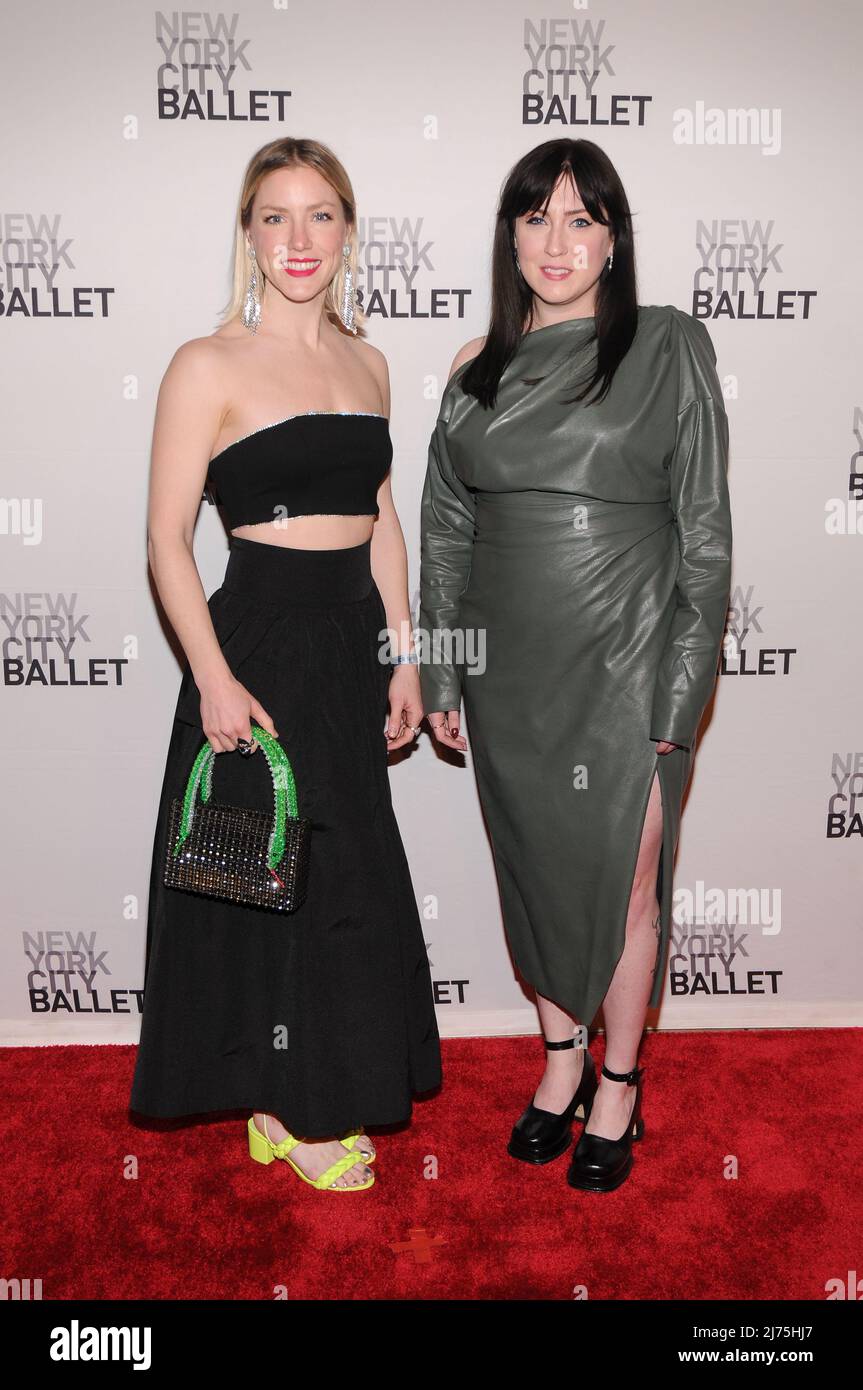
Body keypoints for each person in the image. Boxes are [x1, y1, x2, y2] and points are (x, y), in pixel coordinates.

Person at [418, 138, 732, 1193]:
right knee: (536, 877)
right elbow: (446, 533)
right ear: (508, 236)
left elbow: (704, 537)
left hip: (629, 665)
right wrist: (442, 671)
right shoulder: (474, 368)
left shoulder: (665, 346)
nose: (556, 242)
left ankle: (620, 1082)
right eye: (534, 217)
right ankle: (561, 1061)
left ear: (612, 240)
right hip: (508, 677)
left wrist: (679, 698)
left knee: (625, 886)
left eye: (580, 219)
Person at [129, 136, 441, 1192]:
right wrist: (214, 676)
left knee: (344, 879)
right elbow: (166, 538)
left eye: (319, 214)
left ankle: (315, 1085)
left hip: (351, 642)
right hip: (257, 642)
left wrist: (404, 651)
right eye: (275, 216)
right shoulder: (206, 365)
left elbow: (382, 519)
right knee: (262, 877)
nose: (297, 238)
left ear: (347, 231)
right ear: (249, 233)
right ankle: (278, 1107)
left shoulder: (368, 364)